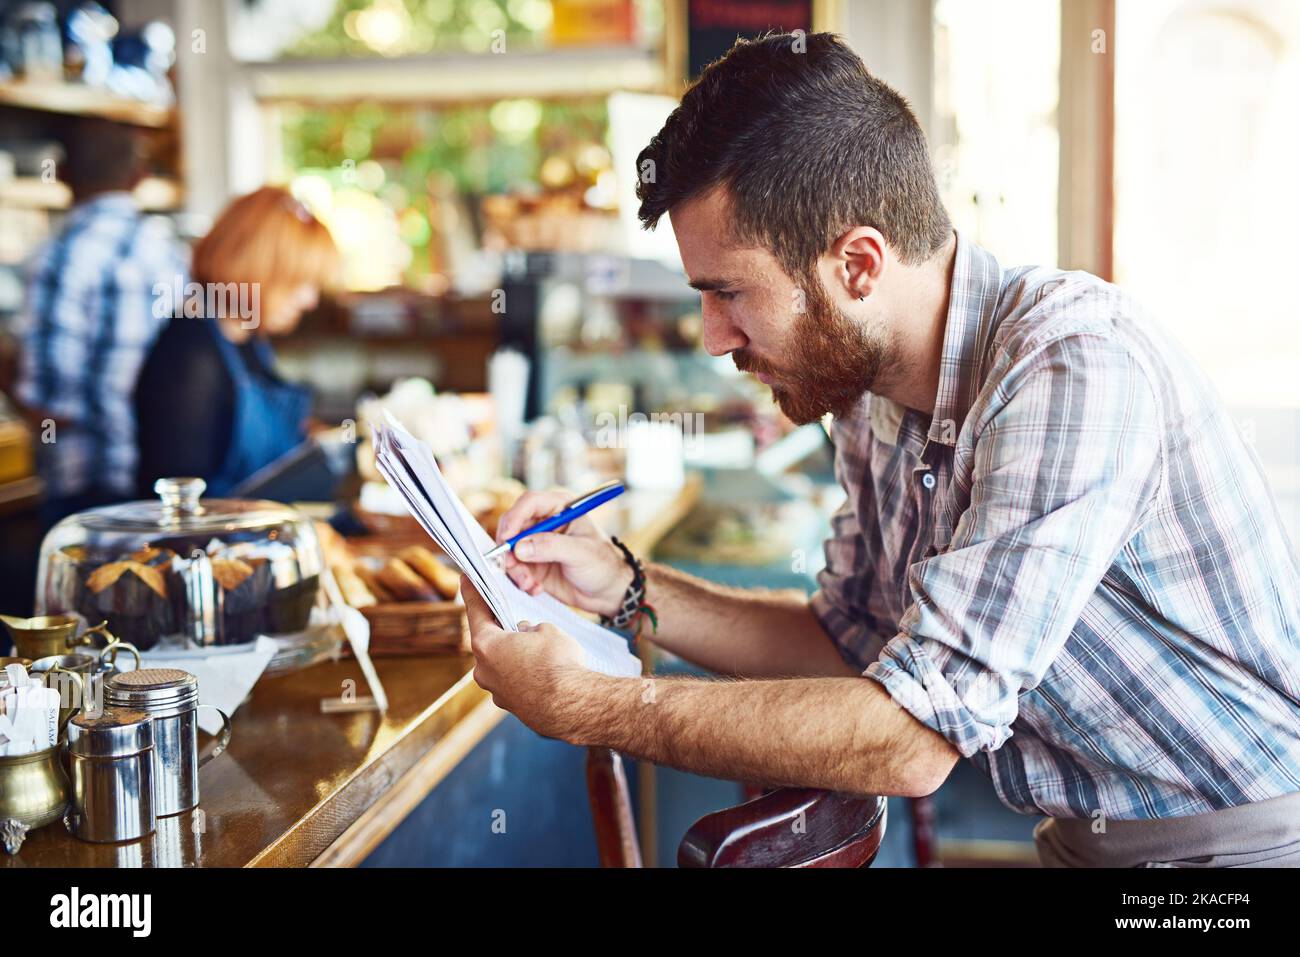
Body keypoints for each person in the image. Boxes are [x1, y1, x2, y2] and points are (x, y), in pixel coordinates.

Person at [462, 33, 1300, 868]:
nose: (714, 338)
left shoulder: (1072, 365)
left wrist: (588, 703)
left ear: (858, 263)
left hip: (1244, 852)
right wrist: (630, 586)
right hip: (1090, 850)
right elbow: (849, 643)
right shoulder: (867, 394)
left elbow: (912, 737)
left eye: (729, 292)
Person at [13, 119, 187, 525]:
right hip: (159, 474)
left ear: (63, 173)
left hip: (87, 485)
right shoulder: (170, 250)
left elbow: (53, 404)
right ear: (140, 176)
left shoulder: (59, 255)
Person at [134, 186, 339, 496]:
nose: (309, 300)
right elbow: (182, 511)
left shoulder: (250, 340)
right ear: (255, 267)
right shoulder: (191, 357)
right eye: (298, 282)